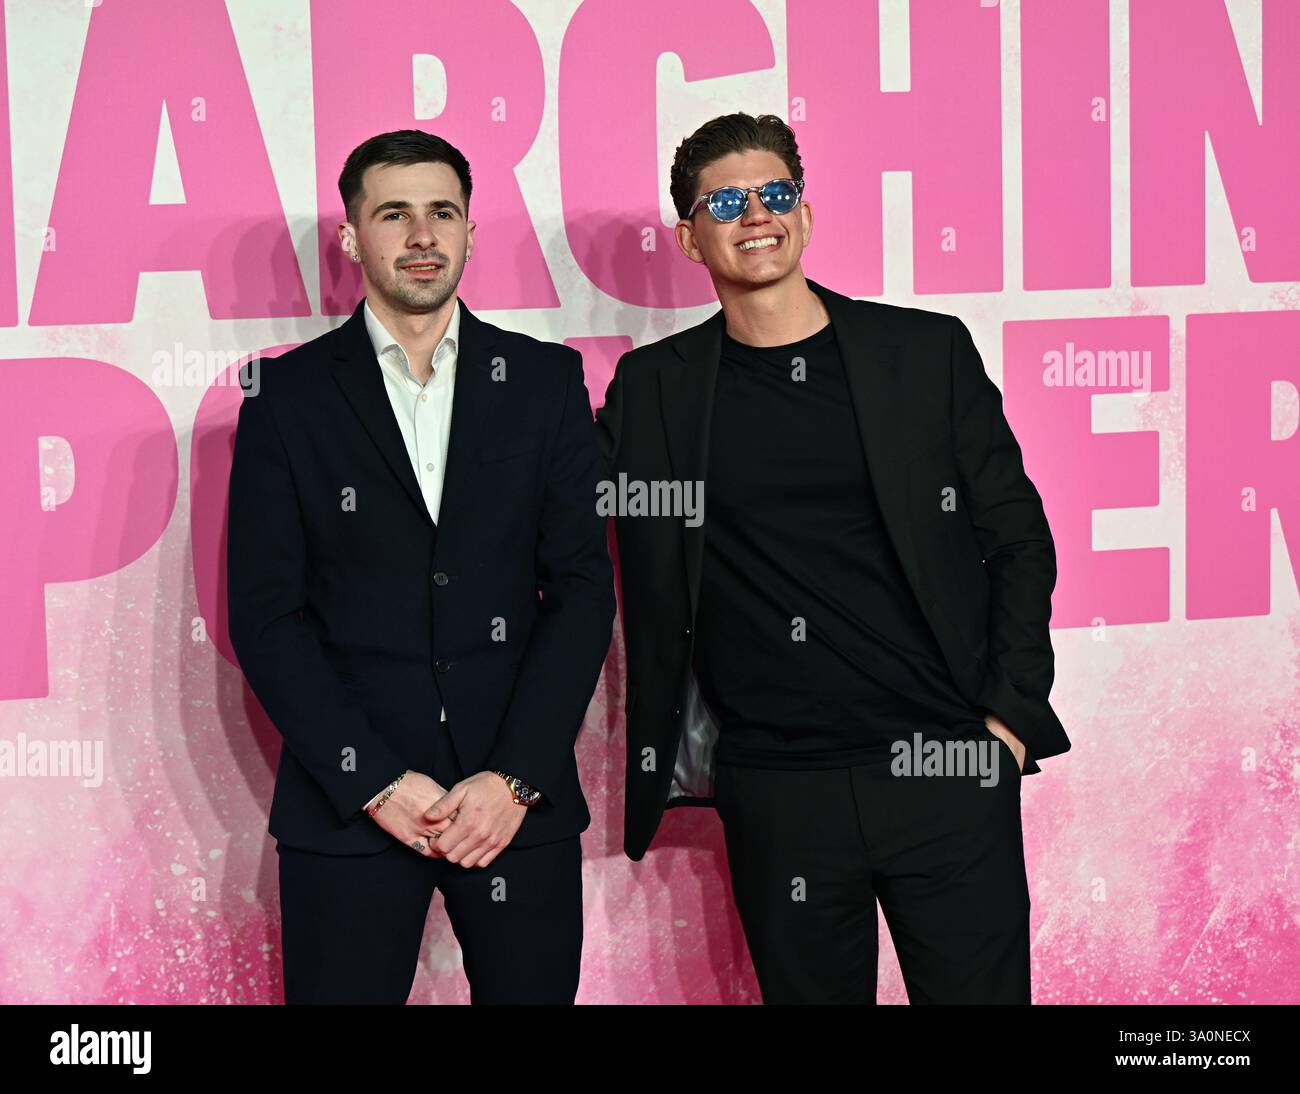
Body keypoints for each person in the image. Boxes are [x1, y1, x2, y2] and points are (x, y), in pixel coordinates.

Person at [595, 112, 1069, 1003]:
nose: (756, 215)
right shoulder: (656, 390)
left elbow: (1017, 536)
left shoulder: (922, 355)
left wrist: (1006, 720)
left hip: (945, 765)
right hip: (780, 786)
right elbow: (559, 509)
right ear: (689, 236)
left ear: (804, 217)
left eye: (775, 194)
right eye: (725, 201)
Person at [227, 129, 615, 1004]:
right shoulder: (283, 399)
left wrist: (516, 777)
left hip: (514, 809)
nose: (422, 235)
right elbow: (266, 616)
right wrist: (373, 781)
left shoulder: (547, 384)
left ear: (472, 231)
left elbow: (583, 591)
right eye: (394, 213)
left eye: (443, 212)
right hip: (349, 808)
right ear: (351, 238)